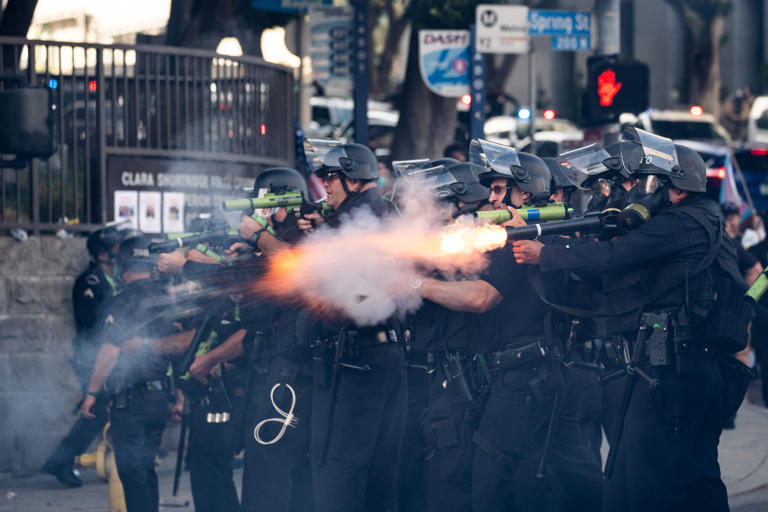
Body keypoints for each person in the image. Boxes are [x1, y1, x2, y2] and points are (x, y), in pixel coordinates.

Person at [513, 131, 732, 511]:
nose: (643, 193)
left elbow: (615, 257)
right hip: (688, 367)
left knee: (653, 483)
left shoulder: (678, 224)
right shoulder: (699, 218)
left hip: (673, 371)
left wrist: (544, 256)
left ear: (678, 190)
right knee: (696, 478)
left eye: (652, 184)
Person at [416, 142, 567, 512]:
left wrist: (416, 285)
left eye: (500, 190)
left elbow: (481, 298)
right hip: (505, 375)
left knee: (496, 482)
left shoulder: (526, 238)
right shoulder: (511, 238)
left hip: (525, 376)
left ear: (525, 192)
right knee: (500, 482)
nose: (492, 199)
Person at [300, 140, 407, 512]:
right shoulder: (379, 214)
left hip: (359, 359)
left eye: (331, 177)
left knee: (340, 468)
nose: (324, 184)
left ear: (354, 179)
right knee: (381, 471)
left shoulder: (355, 221)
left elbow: (369, 295)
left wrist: (332, 303)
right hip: (384, 355)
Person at [81, 235, 195, 512]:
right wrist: (179, 395)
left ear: (123, 267)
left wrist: (91, 393)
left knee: (133, 474)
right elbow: (182, 349)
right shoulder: (167, 299)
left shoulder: (123, 302)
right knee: (146, 470)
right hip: (159, 398)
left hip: (131, 401)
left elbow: (109, 351)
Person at [43, 225, 130, 487]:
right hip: (92, 356)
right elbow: (91, 323)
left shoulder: (115, 279)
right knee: (96, 413)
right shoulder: (90, 281)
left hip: (111, 354)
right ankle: (61, 460)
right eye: (115, 248)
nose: (119, 253)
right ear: (103, 253)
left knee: (109, 410)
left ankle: (113, 461)